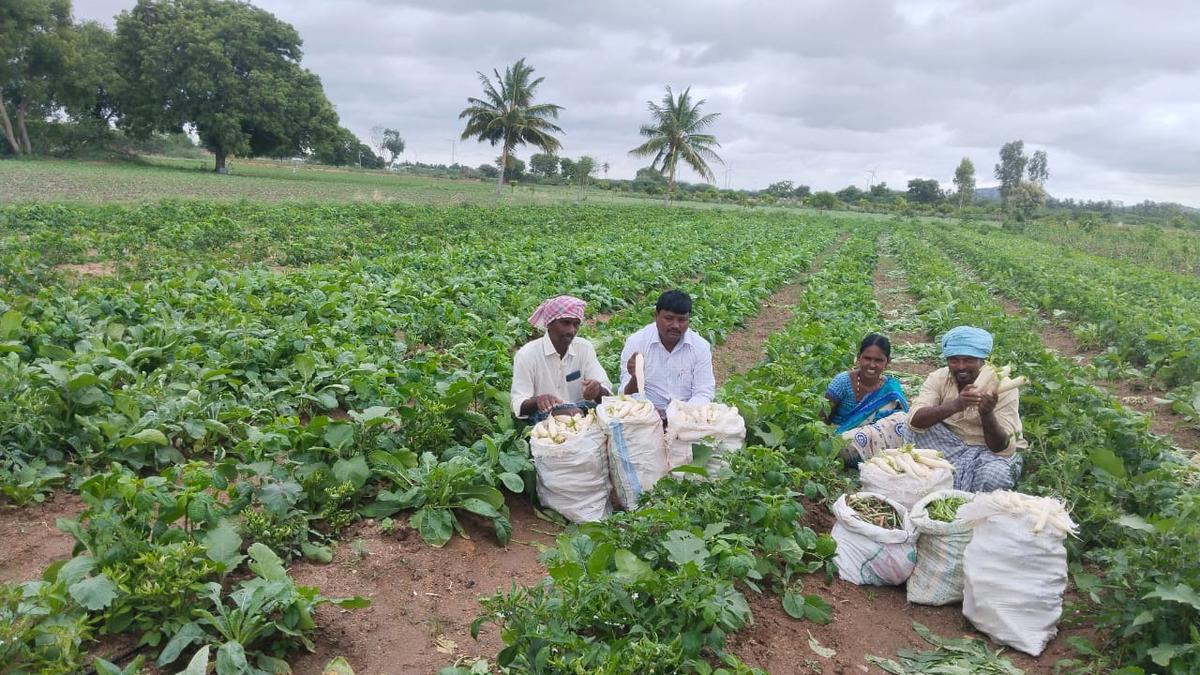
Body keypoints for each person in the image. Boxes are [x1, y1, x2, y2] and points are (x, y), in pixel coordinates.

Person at [907, 325, 1025, 492]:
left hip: (987, 452)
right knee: (909, 428)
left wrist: (986, 413)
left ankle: (951, 481)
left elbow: (1000, 446)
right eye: (954, 360)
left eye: (969, 360)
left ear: (982, 361)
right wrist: (956, 405)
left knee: (995, 476)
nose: (961, 366)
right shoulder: (939, 378)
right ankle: (947, 477)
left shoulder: (1004, 387)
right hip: (949, 444)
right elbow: (915, 420)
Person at [511, 295, 612, 422]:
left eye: (576, 324)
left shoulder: (584, 348)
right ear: (549, 324)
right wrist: (538, 401)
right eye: (565, 323)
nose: (571, 330)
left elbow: (607, 393)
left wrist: (597, 390)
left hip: (582, 414)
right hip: (544, 419)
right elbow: (518, 404)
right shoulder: (527, 355)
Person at [620, 290, 715, 416]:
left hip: (687, 417)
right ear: (656, 316)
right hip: (645, 416)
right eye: (669, 318)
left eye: (682, 320)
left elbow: (703, 392)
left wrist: (682, 415)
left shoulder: (700, 347)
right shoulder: (637, 342)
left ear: (689, 320)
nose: (675, 325)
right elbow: (625, 395)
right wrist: (635, 378)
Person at [825, 334, 910, 463]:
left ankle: (879, 457)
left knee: (903, 419)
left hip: (877, 440)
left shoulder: (890, 389)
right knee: (844, 446)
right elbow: (824, 417)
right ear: (859, 357)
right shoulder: (842, 382)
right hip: (844, 440)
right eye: (867, 358)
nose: (872, 365)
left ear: (888, 361)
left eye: (878, 360)